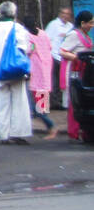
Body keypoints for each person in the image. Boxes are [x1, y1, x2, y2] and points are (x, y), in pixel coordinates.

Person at [0, 1, 34, 144]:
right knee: (19, 102)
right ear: (14, 14)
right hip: (15, 70)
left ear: (0, 14)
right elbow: (23, 49)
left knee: (1, 104)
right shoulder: (18, 28)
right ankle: (17, 133)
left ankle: (3, 135)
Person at [58, 10, 93, 140]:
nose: (92, 25)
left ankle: (84, 131)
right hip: (73, 72)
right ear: (83, 23)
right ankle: (73, 132)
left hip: (84, 73)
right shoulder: (74, 34)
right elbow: (62, 51)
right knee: (74, 103)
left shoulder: (86, 35)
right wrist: (78, 58)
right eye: (90, 23)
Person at [22, 17, 56, 138]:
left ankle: (51, 127)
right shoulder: (43, 34)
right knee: (42, 104)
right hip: (46, 69)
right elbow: (50, 47)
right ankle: (49, 128)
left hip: (36, 72)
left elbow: (28, 51)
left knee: (38, 107)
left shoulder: (28, 36)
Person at [45, 7, 74, 108]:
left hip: (65, 58)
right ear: (60, 14)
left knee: (64, 80)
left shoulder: (70, 26)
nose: (65, 16)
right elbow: (46, 39)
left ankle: (63, 102)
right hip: (54, 55)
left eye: (67, 14)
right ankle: (54, 103)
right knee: (54, 80)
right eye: (63, 13)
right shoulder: (53, 25)